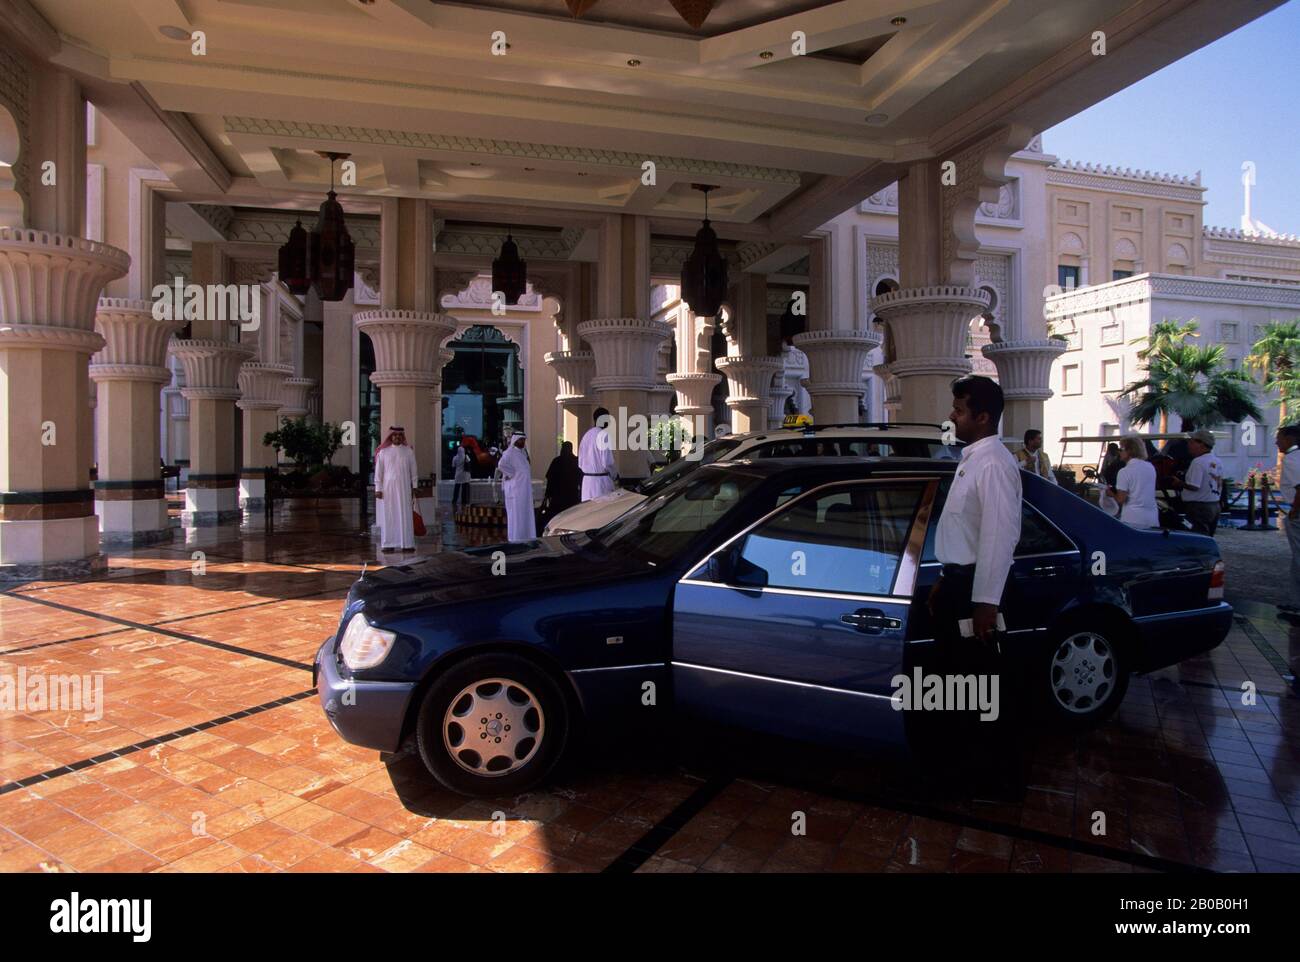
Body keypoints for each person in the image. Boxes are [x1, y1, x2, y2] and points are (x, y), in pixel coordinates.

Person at [920, 375, 1023, 784]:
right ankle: (956, 764)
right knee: (955, 680)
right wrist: (948, 578)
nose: (952, 416)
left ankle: (985, 775)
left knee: (977, 683)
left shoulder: (995, 463)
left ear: (982, 417)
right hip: (959, 584)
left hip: (976, 595)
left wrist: (985, 603)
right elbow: (966, 533)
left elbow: (1000, 536)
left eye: (959, 410)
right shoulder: (973, 457)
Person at [374, 425, 419, 551]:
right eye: (395, 435)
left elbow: (414, 471)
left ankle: (407, 544)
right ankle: (389, 544)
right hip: (388, 489)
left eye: (399, 435)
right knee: (389, 514)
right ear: (391, 437)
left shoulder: (408, 451)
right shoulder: (383, 452)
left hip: (404, 488)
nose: (397, 437)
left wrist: (414, 486)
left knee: (405, 514)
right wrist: (378, 488)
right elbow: (379, 473)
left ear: (402, 437)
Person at [1177, 429, 1223, 535]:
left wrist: (1179, 483)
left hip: (1199, 507)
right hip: (1214, 505)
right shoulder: (1217, 461)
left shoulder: (1198, 462)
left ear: (1201, 444)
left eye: (1192, 442)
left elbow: (1194, 486)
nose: (1188, 445)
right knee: (1208, 536)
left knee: (1197, 535)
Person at [1109, 435, 1159, 529]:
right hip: (1152, 517)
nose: (1119, 452)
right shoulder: (1150, 467)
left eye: (1121, 449)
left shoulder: (1124, 471)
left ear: (1129, 450)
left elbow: (1121, 499)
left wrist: (1111, 494)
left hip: (1133, 518)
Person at [1278, 424, 1300, 623]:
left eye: (1280, 437)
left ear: (1290, 438)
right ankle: (1295, 602)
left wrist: (1293, 512)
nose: (1277, 442)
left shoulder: (1292, 459)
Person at [497, 432, 536, 542]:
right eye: (521, 440)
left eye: (524, 440)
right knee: (516, 516)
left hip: (524, 491)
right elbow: (501, 465)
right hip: (516, 491)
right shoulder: (509, 453)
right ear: (515, 440)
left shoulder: (523, 453)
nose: (523, 442)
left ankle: (526, 537)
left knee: (525, 515)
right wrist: (511, 474)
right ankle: (516, 539)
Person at [578, 407, 619, 501]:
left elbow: (580, 462)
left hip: (587, 483)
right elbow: (607, 462)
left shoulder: (586, 435)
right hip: (601, 483)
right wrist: (614, 475)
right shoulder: (604, 435)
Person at [542, 441, 583, 525]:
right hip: (572, 496)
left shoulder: (556, 461)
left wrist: (548, 494)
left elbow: (550, 479)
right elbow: (581, 479)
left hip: (557, 498)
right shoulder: (576, 461)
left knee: (557, 519)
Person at [451, 440, 472, 509]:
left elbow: (453, 466)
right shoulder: (466, 457)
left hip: (457, 475)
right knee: (464, 489)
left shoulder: (455, 458)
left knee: (456, 488)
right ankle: (464, 501)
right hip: (465, 475)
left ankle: (454, 500)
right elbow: (469, 463)